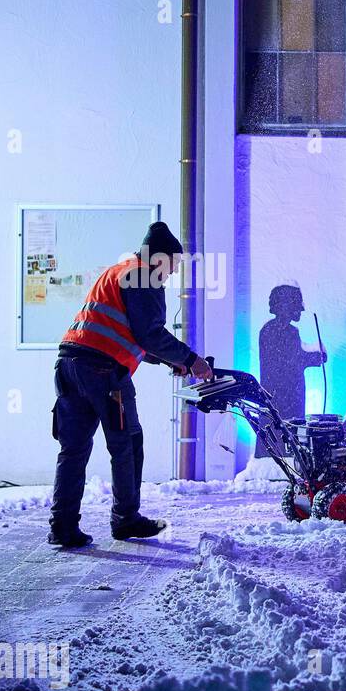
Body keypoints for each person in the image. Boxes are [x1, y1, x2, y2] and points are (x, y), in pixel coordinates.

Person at [48, 222, 214, 548]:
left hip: (69, 366)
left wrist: (173, 361)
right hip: (103, 373)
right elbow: (149, 333)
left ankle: (63, 526)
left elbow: (128, 333)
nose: (171, 273)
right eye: (173, 265)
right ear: (160, 259)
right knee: (127, 444)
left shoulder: (119, 270)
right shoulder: (144, 275)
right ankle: (126, 519)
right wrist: (193, 360)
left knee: (73, 450)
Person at [255, 284, 328, 457]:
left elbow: (292, 359)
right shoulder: (273, 331)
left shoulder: (286, 331)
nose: (301, 310)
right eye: (297, 304)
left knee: (287, 437)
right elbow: (288, 362)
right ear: (286, 305)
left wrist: (313, 357)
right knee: (282, 438)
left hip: (287, 396)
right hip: (281, 397)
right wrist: (313, 358)